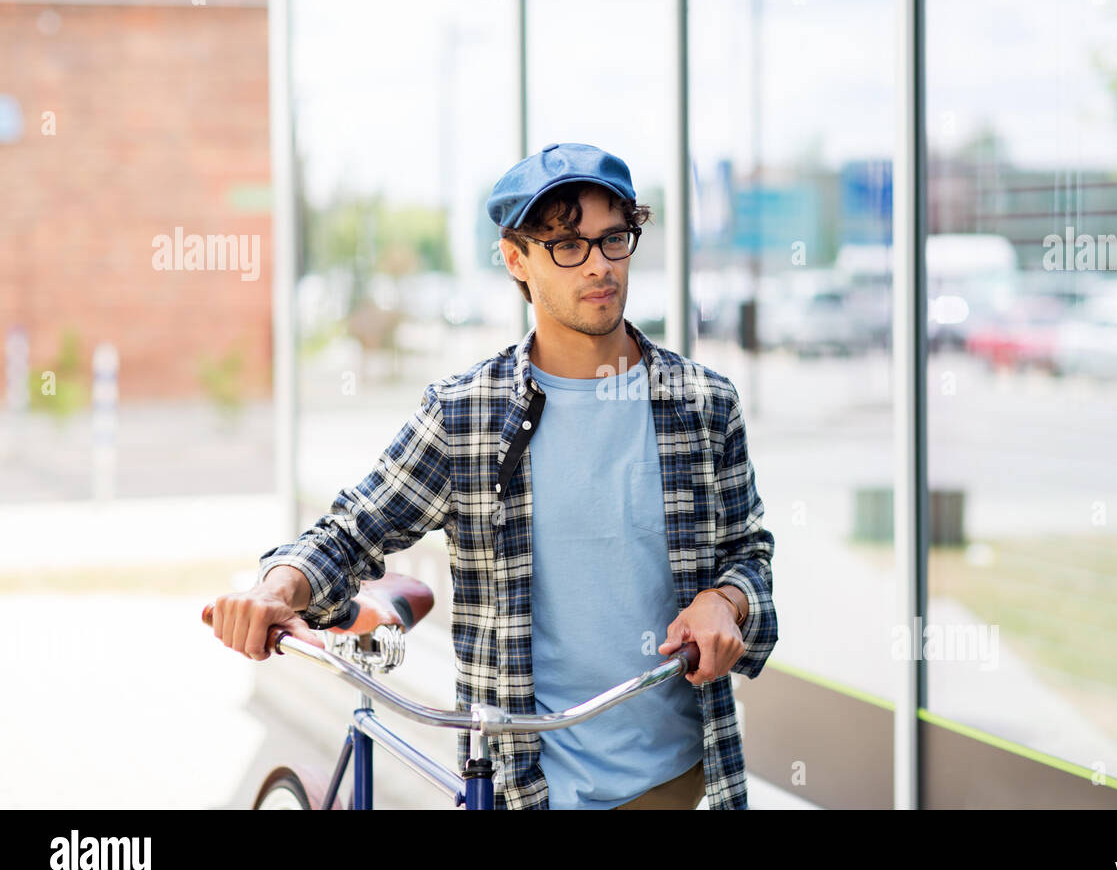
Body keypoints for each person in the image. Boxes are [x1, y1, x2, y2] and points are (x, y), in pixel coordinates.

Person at [209, 142, 777, 809]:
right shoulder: (466, 415)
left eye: (613, 239)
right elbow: (350, 531)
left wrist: (727, 599)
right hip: (521, 785)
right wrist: (275, 588)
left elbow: (749, 554)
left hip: (675, 780)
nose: (599, 264)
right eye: (567, 245)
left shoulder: (702, 404)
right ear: (516, 259)